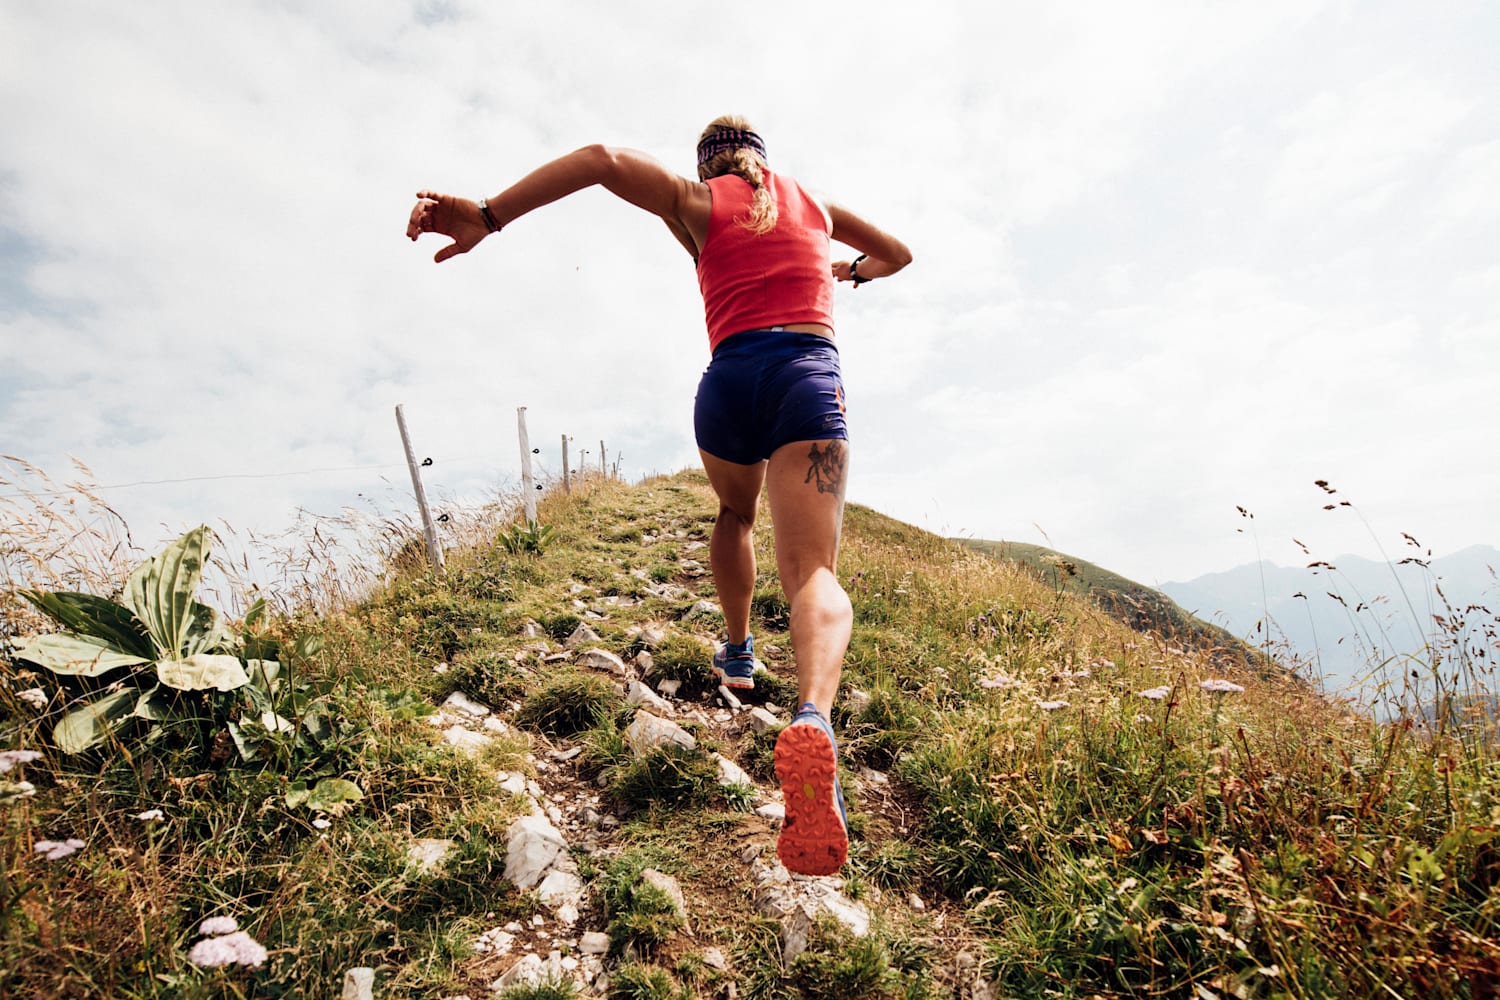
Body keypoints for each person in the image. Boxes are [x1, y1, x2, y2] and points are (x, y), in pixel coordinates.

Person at [407, 115, 912, 875]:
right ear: (765, 162)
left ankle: (738, 655)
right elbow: (898, 254)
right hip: (809, 376)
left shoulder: (696, 202)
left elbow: (603, 159)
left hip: (729, 383)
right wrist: (851, 275)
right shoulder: (817, 206)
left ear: (711, 168)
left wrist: (488, 215)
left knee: (736, 514)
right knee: (813, 569)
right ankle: (812, 715)